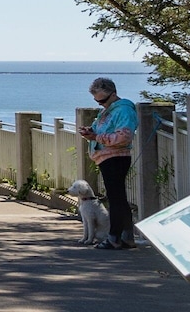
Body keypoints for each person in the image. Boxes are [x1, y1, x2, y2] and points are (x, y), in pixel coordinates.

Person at [77, 77, 138, 250]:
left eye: (103, 100)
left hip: (116, 157)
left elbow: (124, 137)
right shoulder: (109, 110)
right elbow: (106, 129)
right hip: (107, 157)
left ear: (113, 94)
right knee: (118, 198)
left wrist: (96, 137)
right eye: (97, 102)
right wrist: (91, 131)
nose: (101, 104)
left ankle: (114, 237)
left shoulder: (124, 110)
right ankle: (126, 236)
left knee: (116, 199)